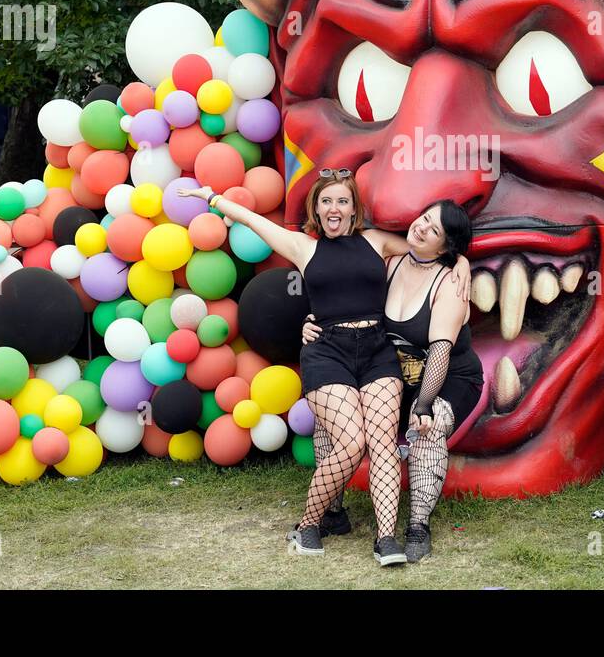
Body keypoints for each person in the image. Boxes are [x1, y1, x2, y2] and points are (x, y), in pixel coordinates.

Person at [177, 171, 465, 566]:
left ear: (353, 210)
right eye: (326, 201)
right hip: (327, 352)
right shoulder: (303, 247)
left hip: (378, 351)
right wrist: (212, 197)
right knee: (351, 443)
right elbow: (252, 221)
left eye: (342, 201)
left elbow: (427, 250)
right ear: (316, 208)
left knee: (382, 441)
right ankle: (309, 524)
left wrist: (460, 261)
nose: (334, 208)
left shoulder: (375, 240)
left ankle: (386, 539)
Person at [303, 200, 482, 562]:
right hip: (391, 371)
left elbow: (440, 354)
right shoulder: (390, 261)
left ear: (446, 247)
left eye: (434, 230)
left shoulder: (449, 283)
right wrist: (310, 322)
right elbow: (347, 297)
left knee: (427, 430)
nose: (422, 228)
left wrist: (425, 405)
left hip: (446, 378)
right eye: (424, 217)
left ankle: (417, 526)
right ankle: (332, 513)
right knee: (330, 422)